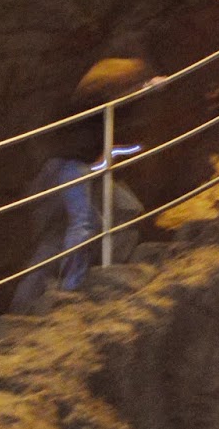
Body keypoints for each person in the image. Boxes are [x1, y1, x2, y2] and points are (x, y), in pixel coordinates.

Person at [10, 57, 162, 312]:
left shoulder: (96, 104)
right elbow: (113, 105)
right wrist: (146, 86)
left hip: (78, 169)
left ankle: (94, 269)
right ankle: (71, 287)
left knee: (124, 210)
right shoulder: (89, 99)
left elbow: (117, 115)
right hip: (70, 168)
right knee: (82, 224)